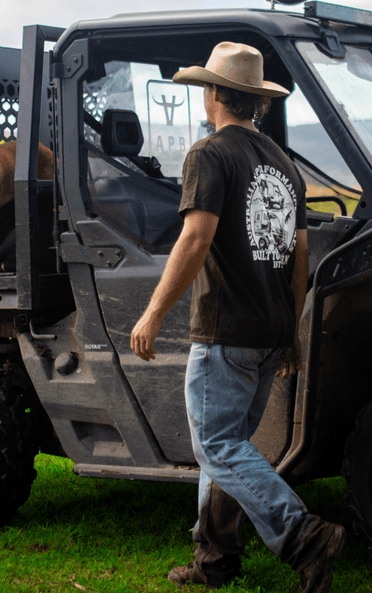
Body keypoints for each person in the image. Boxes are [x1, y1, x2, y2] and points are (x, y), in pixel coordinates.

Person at [129, 41, 345, 592]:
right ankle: (215, 561)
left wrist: (154, 312)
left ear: (213, 94)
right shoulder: (285, 165)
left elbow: (196, 235)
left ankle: (304, 536)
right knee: (228, 452)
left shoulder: (210, 154)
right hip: (270, 332)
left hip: (226, 331)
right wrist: (291, 333)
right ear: (257, 102)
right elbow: (299, 260)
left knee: (217, 447)